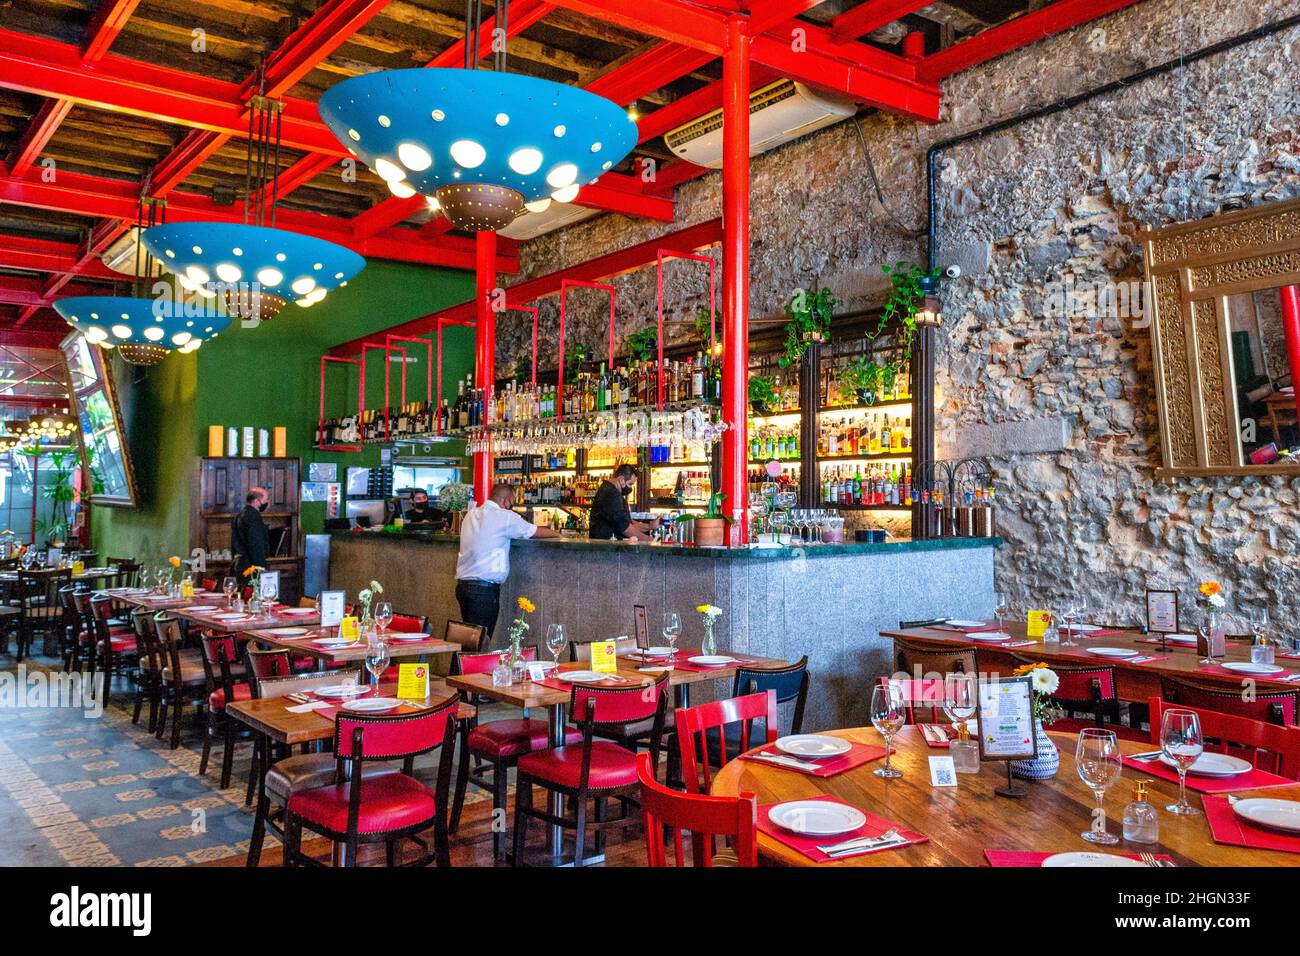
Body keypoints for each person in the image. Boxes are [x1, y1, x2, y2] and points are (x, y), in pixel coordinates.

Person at [455, 482, 559, 643]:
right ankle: (470, 667)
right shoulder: (505, 517)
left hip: (463, 587)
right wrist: (557, 534)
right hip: (483, 590)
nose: (512, 506)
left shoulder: (471, 514)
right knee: (480, 642)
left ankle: (462, 667)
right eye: (512, 502)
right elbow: (535, 531)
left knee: (468, 642)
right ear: (506, 501)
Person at [588, 463, 659, 541]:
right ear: (621, 480)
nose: (630, 488)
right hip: (605, 547)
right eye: (630, 484)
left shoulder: (610, 490)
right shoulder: (611, 494)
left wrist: (650, 526)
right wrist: (650, 540)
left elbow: (628, 522)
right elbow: (625, 528)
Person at [231, 487, 270, 579]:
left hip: (239, 565)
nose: (268, 502)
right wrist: (261, 568)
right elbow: (256, 545)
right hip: (251, 568)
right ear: (256, 501)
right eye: (266, 500)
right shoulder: (253, 517)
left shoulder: (240, 515)